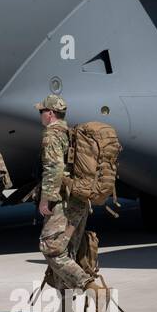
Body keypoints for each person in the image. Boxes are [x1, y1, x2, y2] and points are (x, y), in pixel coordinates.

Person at [35, 94, 96, 294]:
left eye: (42, 111)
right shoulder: (70, 134)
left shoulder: (51, 135)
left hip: (64, 201)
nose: (40, 115)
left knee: (51, 248)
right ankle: (66, 310)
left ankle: (91, 287)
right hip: (79, 199)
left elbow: (54, 168)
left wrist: (47, 200)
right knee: (67, 252)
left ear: (50, 113)